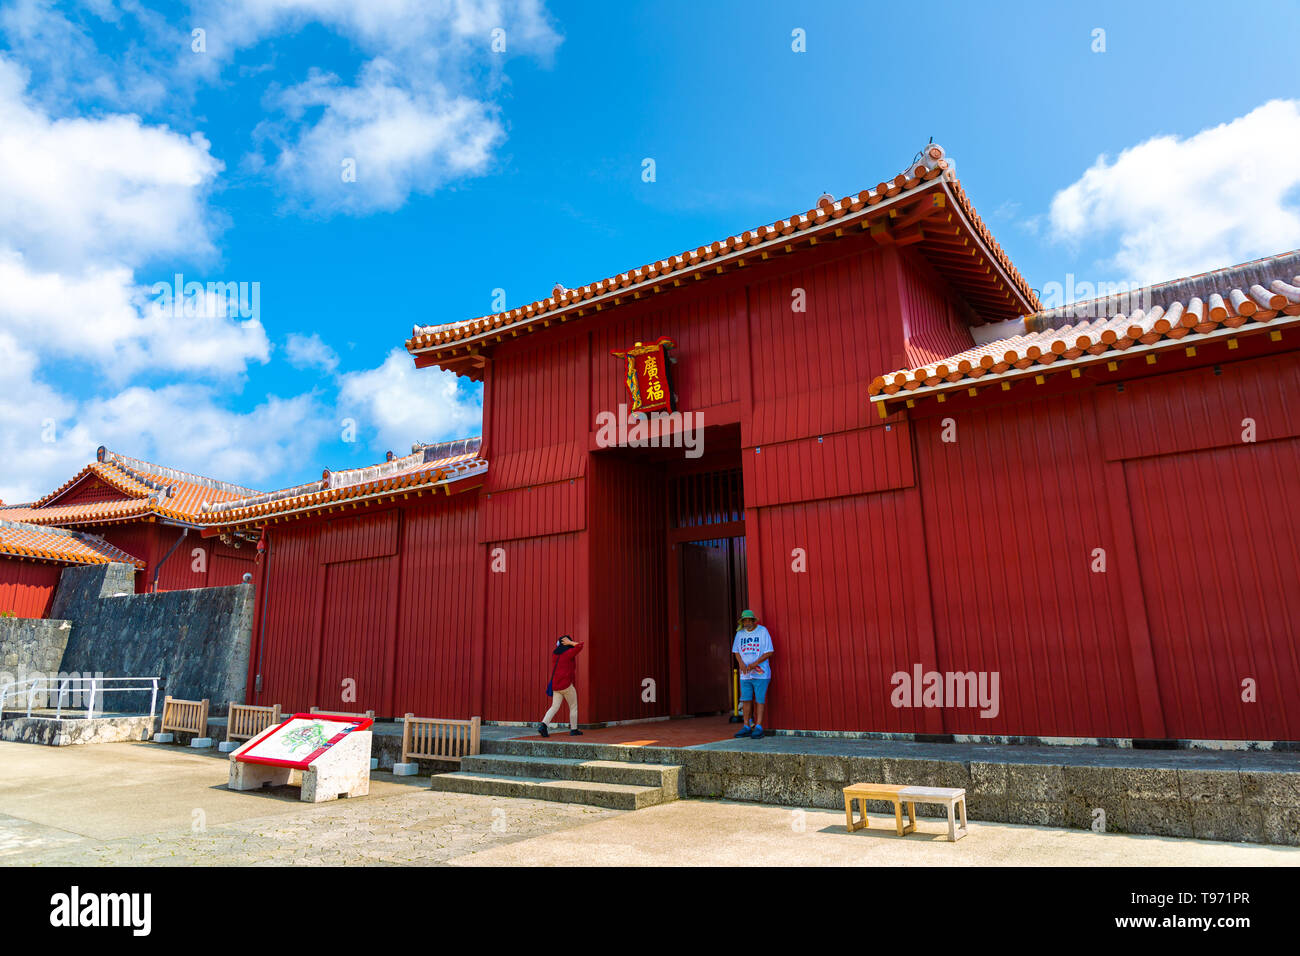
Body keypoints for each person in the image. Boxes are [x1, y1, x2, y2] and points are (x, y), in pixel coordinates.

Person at [731, 610, 774, 739]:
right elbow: (736, 651)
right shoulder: (740, 634)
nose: (747, 622)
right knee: (746, 700)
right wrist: (741, 664)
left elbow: (769, 652)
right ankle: (746, 726)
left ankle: (759, 726)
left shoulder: (762, 631)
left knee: (759, 700)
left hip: (761, 674)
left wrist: (755, 663)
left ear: (754, 620)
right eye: (745, 620)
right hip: (745, 675)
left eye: (749, 620)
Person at [539, 634, 584, 737]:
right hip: (567, 685)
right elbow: (580, 645)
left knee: (554, 707)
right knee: (573, 707)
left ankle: (543, 725)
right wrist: (570, 643)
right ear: (567, 643)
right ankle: (574, 730)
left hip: (556, 685)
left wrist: (567, 643)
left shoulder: (554, 654)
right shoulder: (568, 653)